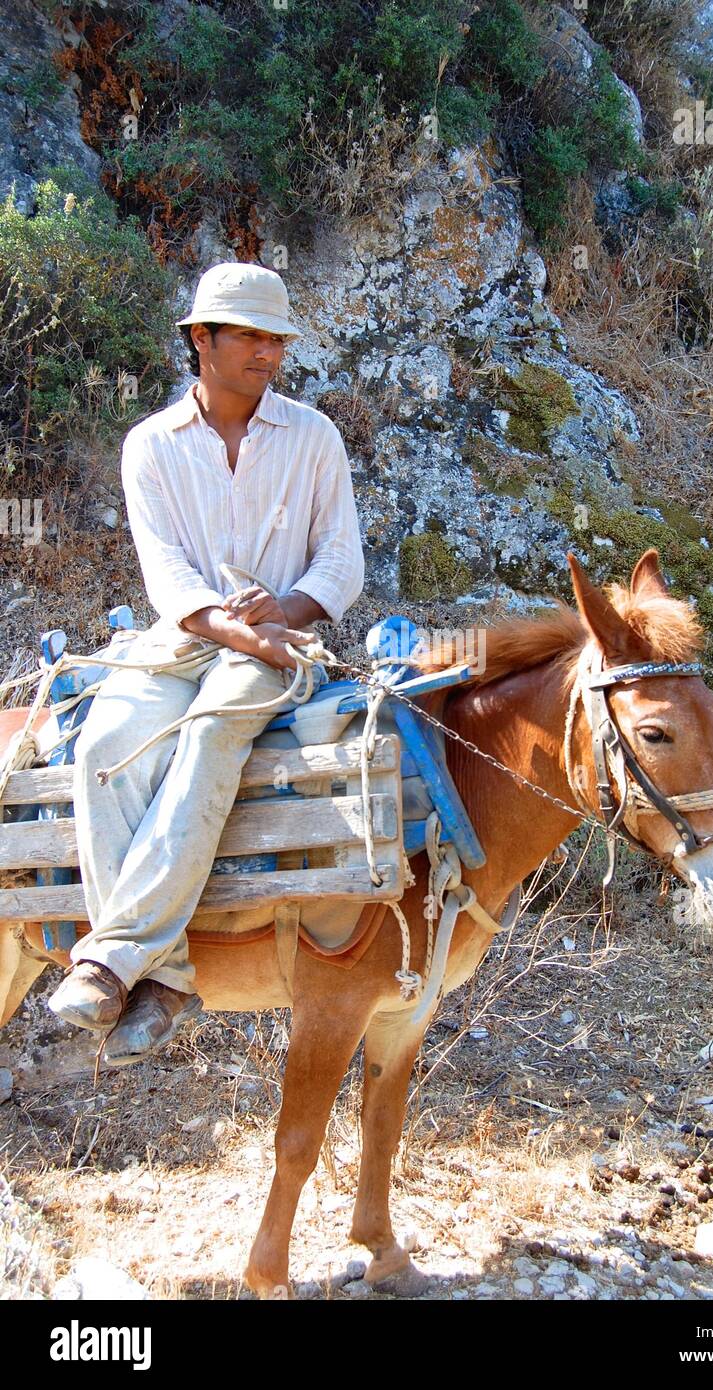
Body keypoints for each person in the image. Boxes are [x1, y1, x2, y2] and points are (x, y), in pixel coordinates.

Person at [48, 262, 365, 1064]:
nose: (267, 353)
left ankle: (113, 961)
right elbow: (167, 577)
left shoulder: (314, 437)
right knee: (105, 746)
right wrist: (239, 631)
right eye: (249, 335)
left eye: (276, 339)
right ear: (202, 339)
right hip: (181, 639)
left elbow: (341, 562)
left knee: (215, 729)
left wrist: (282, 613)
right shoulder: (151, 445)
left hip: (281, 646)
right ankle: (168, 974)